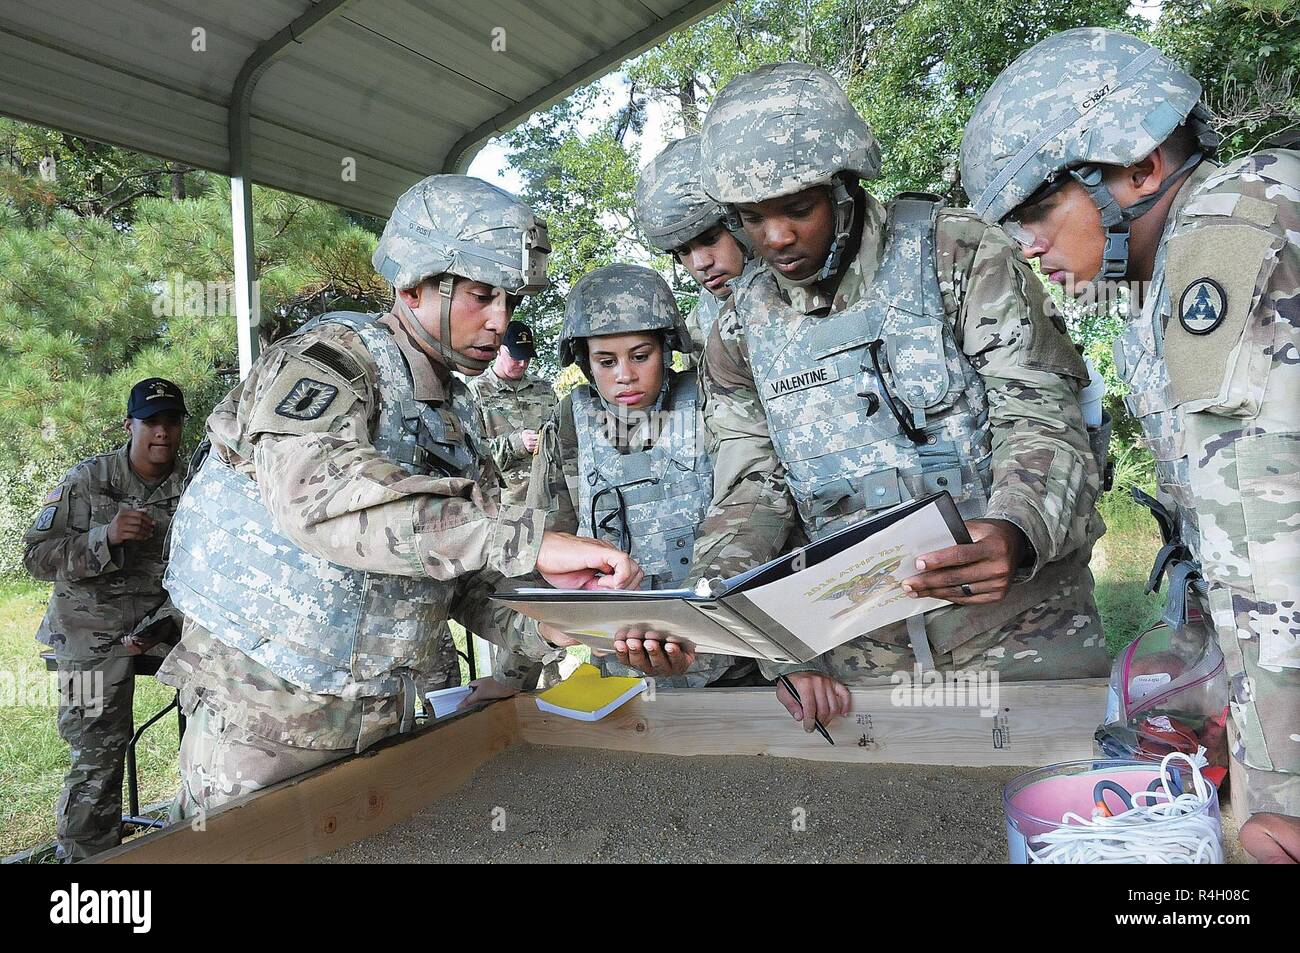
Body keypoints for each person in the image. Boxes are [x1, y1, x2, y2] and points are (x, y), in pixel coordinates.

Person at [158, 175, 642, 817]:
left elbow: (458, 572)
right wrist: (523, 541)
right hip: (268, 716)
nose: (500, 322)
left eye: (509, 301)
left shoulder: (455, 413)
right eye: (480, 296)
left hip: (382, 714)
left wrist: (557, 622)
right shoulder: (328, 362)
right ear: (414, 284)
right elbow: (322, 499)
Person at [960, 26, 1300, 861]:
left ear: (1140, 167)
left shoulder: (1223, 237)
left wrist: (1281, 793)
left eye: (1039, 208)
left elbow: (1270, 556)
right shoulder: (1160, 276)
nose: (1029, 245)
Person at [690, 62, 1108, 731]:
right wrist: (759, 632)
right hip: (861, 674)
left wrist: (1016, 529)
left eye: (799, 207)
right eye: (749, 218)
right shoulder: (739, 329)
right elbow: (750, 493)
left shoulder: (960, 255)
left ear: (844, 185)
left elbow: (1042, 420)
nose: (775, 238)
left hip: (1023, 639)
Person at [526, 263, 746, 687]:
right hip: (623, 667)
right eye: (605, 361)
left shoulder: (710, 402)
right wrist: (514, 675)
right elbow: (543, 544)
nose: (624, 375)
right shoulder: (572, 421)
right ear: (585, 364)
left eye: (640, 356)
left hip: (728, 659)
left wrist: (792, 667)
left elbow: (758, 515)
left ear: (667, 349)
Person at [23, 377, 189, 859]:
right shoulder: (88, 480)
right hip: (90, 632)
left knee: (223, 715)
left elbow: (212, 566)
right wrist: (105, 537)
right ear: (130, 425)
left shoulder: (194, 485)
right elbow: (36, 558)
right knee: (97, 755)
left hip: (166, 626)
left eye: (171, 423)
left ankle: (204, 833)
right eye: (151, 422)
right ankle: (86, 859)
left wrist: (165, 622)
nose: (162, 433)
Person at [634, 135, 747, 366]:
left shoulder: (800, 285)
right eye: (683, 251)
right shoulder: (700, 323)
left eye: (711, 239)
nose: (699, 263)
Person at [467, 320, 557, 504]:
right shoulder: (476, 392)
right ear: (499, 349)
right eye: (516, 357)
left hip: (551, 500)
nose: (523, 363)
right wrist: (515, 445)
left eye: (527, 357)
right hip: (506, 505)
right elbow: (470, 455)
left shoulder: (544, 389)